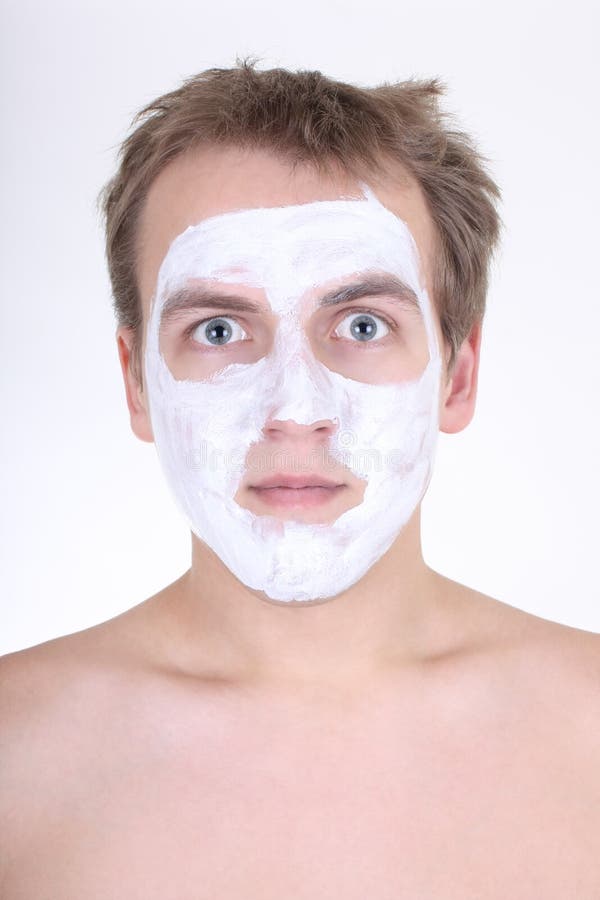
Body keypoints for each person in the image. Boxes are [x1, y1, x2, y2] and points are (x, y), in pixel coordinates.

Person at [1, 61, 599, 897]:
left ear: (454, 379)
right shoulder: (13, 763)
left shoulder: (590, 737)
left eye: (361, 323)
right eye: (218, 328)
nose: (294, 408)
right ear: (138, 384)